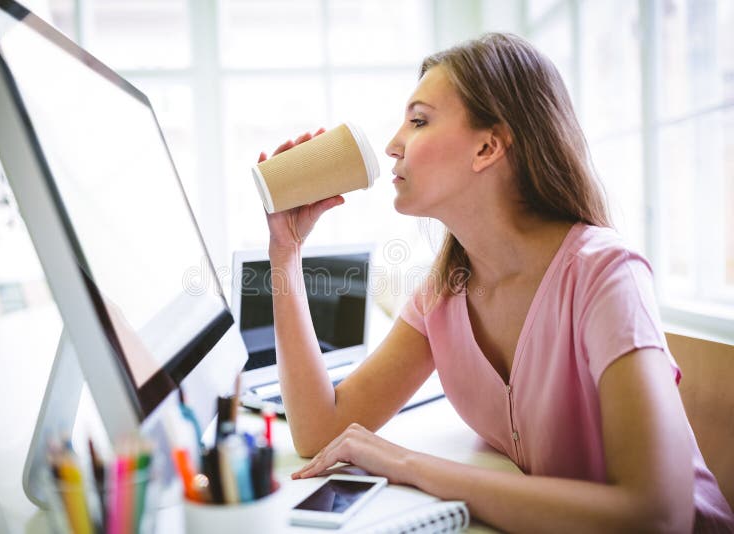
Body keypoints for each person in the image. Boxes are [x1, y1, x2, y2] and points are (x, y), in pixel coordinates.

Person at [258, 33, 734, 532]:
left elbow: (657, 517)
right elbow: (319, 431)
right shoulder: (441, 293)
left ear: (487, 146)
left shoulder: (605, 275)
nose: (393, 144)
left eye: (419, 121)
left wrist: (410, 465)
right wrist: (286, 251)